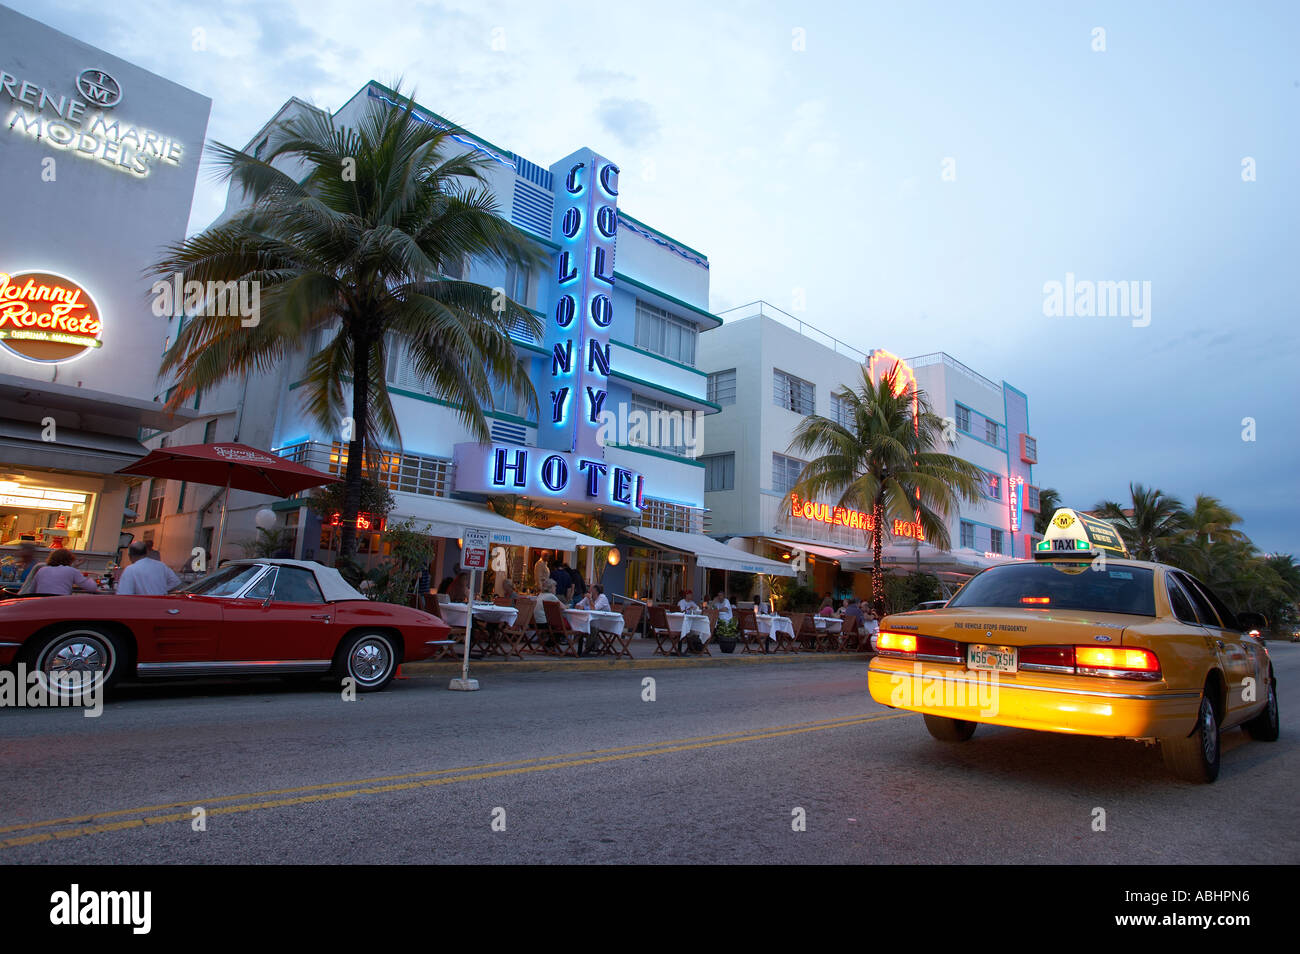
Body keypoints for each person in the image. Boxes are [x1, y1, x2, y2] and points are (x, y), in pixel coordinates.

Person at [116, 541, 180, 595]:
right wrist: (162, 591)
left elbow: (123, 593)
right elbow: (175, 581)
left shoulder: (130, 569)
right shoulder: (161, 565)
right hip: (161, 604)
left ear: (129, 556)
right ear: (146, 553)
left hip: (141, 605)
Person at [26, 549, 101, 595]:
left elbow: (31, 590)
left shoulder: (42, 570)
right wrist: (92, 579)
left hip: (41, 604)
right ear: (70, 560)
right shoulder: (71, 571)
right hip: (60, 603)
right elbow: (92, 587)